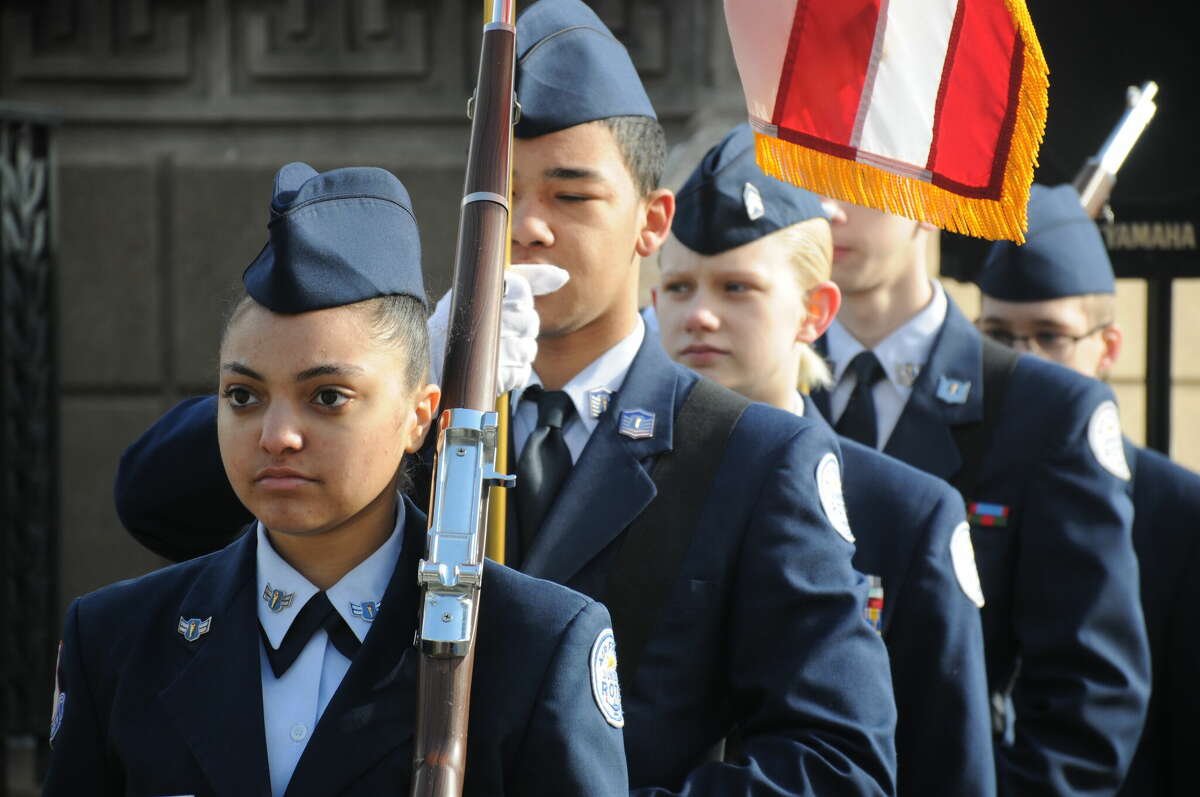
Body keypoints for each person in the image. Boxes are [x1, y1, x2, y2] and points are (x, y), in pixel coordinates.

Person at [110, 2, 900, 794]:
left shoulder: (753, 455)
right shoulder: (407, 409)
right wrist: (424, 380)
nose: (529, 226)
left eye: (571, 195)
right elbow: (158, 502)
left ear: (651, 221)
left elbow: (836, 762)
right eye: (504, 194)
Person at [44, 163, 628, 796]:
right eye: (243, 396)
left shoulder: (531, 645)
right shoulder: (118, 641)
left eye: (327, 397)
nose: (276, 436)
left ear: (419, 416)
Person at [654, 124, 995, 797]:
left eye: (736, 288)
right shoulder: (623, 486)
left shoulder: (906, 511)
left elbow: (948, 767)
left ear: (815, 310)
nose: (699, 315)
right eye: (678, 288)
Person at [810, 185, 1151, 794]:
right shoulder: (757, 388)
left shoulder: (1045, 410)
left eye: (856, 181)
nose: (829, 208)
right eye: (806, 178)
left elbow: (1089, 698)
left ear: (928, 190)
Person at [976, 183, 1200, 797]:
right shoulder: (952, 482)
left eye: (1050, 335)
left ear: (1108, 348)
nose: (1023, 360)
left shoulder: (1181, 513)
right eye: (998, 335)